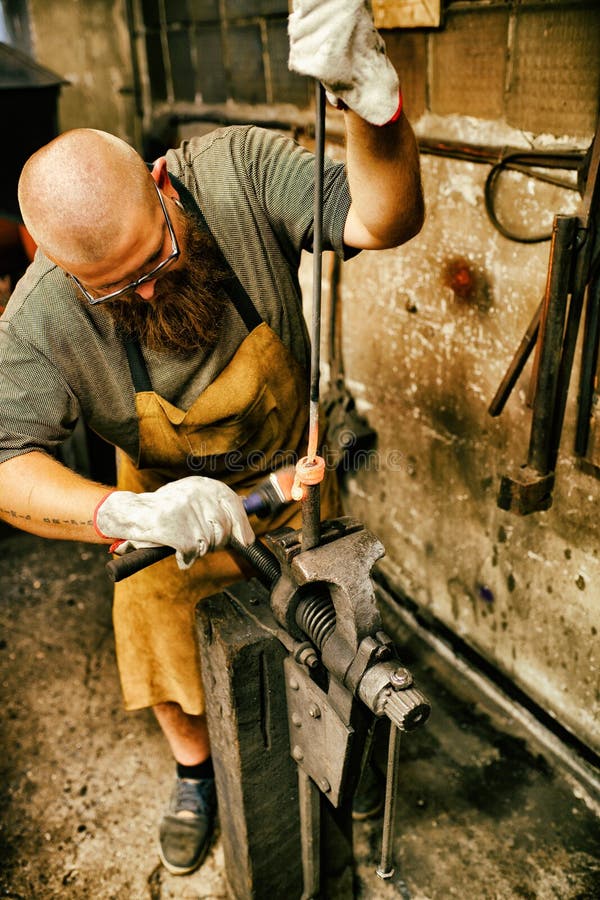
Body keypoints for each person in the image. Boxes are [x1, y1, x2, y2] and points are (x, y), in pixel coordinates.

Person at [0, 0, 424, 878]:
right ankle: (195, 776)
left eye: (156, 261)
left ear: (161, 184)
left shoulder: (235, 172)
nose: (149, 294)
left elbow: (382, 219)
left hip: (290, 479)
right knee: (163, 644)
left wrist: (373, 108)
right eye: (114, 290)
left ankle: (341, 756)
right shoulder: (42, 313)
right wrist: (127, 513)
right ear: (55, 261)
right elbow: (4, 464)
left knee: (334, 634)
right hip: (166, 507)